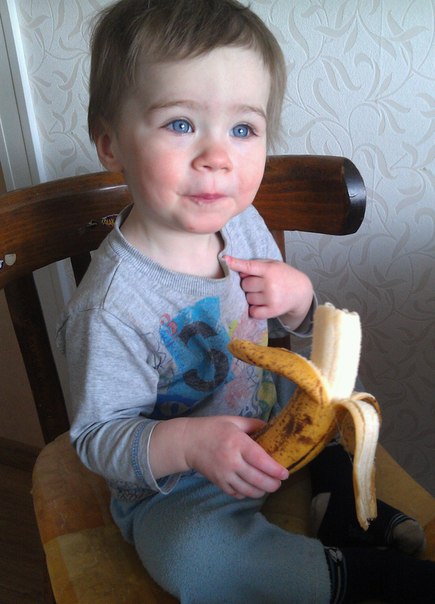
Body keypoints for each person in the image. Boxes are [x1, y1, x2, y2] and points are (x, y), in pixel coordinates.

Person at [57, 0, 435, 602]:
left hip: (267, 411)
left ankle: (337, 497)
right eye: (180, 123)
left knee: (335, 385)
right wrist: (190, 444)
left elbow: (297, 338)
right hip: (180, 481)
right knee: (193, 560)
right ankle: (351, 576)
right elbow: (99, 437)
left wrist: (300, 303)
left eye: (243, 129)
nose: (218, 156)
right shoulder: (110, 306)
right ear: (111, 144)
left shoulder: (242, 222)